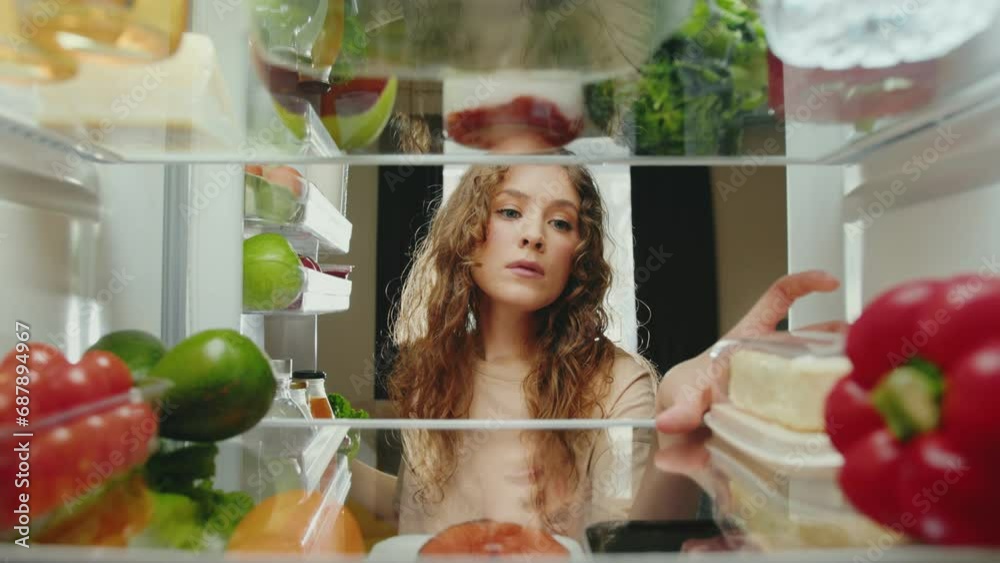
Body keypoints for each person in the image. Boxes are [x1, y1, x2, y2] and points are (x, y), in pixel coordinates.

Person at [348, 161, 843, 542]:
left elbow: (629, 541)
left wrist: (675, 415)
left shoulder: (616, 381)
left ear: (578, 259)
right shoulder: (430, 365)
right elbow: (414, 509)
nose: (534, 234)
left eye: (560, 223)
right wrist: (327, 455)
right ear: (469, 234)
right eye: (510, 211)